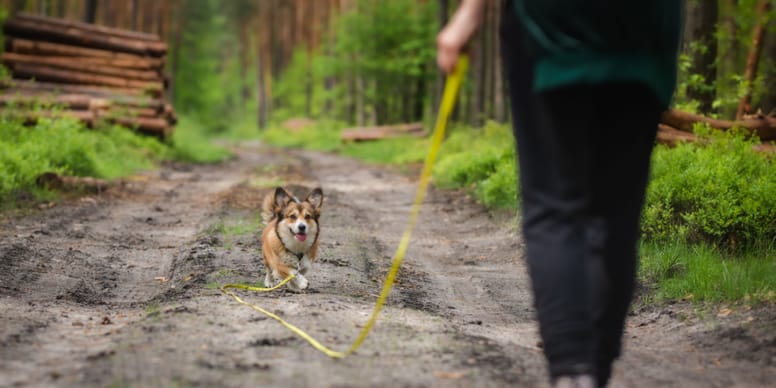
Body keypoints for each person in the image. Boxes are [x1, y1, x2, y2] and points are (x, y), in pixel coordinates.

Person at [437, 1, 683, 387]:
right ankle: (594, 374)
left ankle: (572, 371)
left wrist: (470, 13)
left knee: (555, 207)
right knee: (617, 212)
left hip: (553, 25)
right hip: (646, 25)